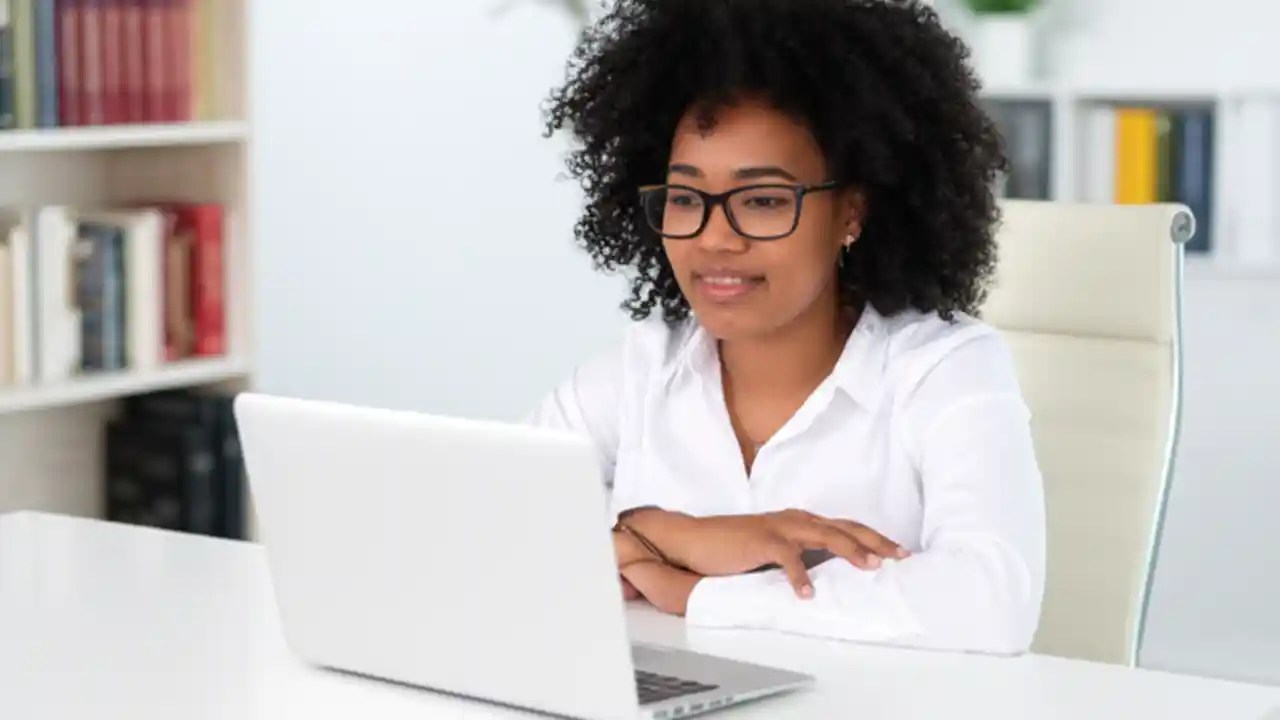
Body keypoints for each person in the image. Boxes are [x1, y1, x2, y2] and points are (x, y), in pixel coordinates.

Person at [530, 0, 1045, 655]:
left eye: (764, 200)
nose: (715, 238)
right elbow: (483, 527)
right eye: (686, 199)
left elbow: (991, 604)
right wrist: (672, 533)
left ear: (851, 212)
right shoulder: (642, 370)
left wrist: (697, 593)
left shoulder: (945, 369)